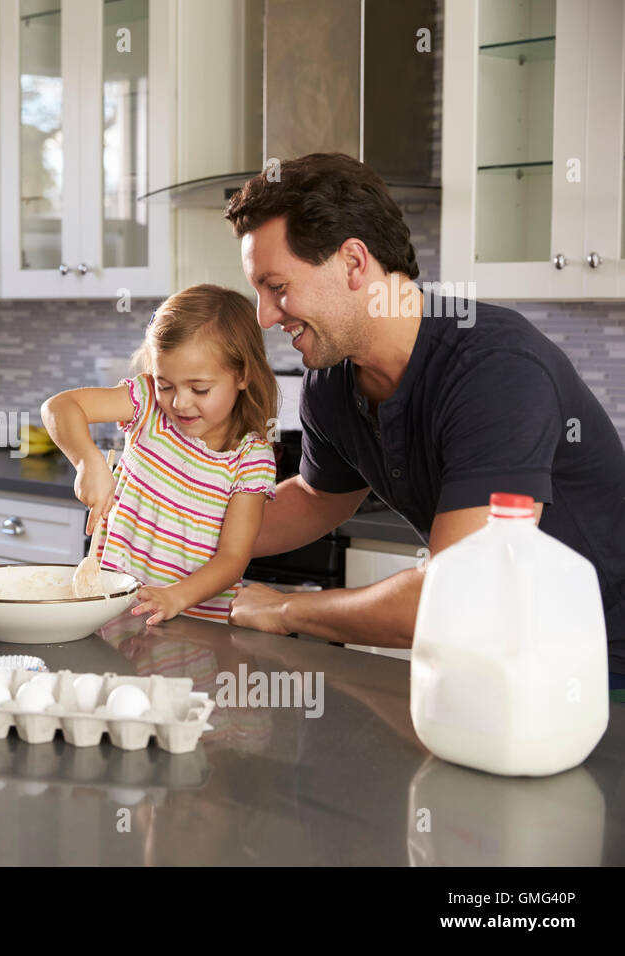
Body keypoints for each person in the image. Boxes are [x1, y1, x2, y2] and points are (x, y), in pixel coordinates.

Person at [223, 151, 625, 691]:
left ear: (353, 262)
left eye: (276, 287)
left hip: (602, 663)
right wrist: (169, 520)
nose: (265, 315)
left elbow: (459, 595)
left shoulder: (495, 369)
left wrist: (287, 610)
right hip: (497, 660)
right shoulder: (333, 381)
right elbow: (319, 498)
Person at [42, 284, 278, 626]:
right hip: (118, 615)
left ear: (242, 375)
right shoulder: (149, 404)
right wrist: (86, 460)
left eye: (199, 389)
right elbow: (60, 407)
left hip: (194, 629)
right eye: (167, 384)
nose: (179, 402)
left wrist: (176, 596)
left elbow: (233, 558)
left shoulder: (251, 458)